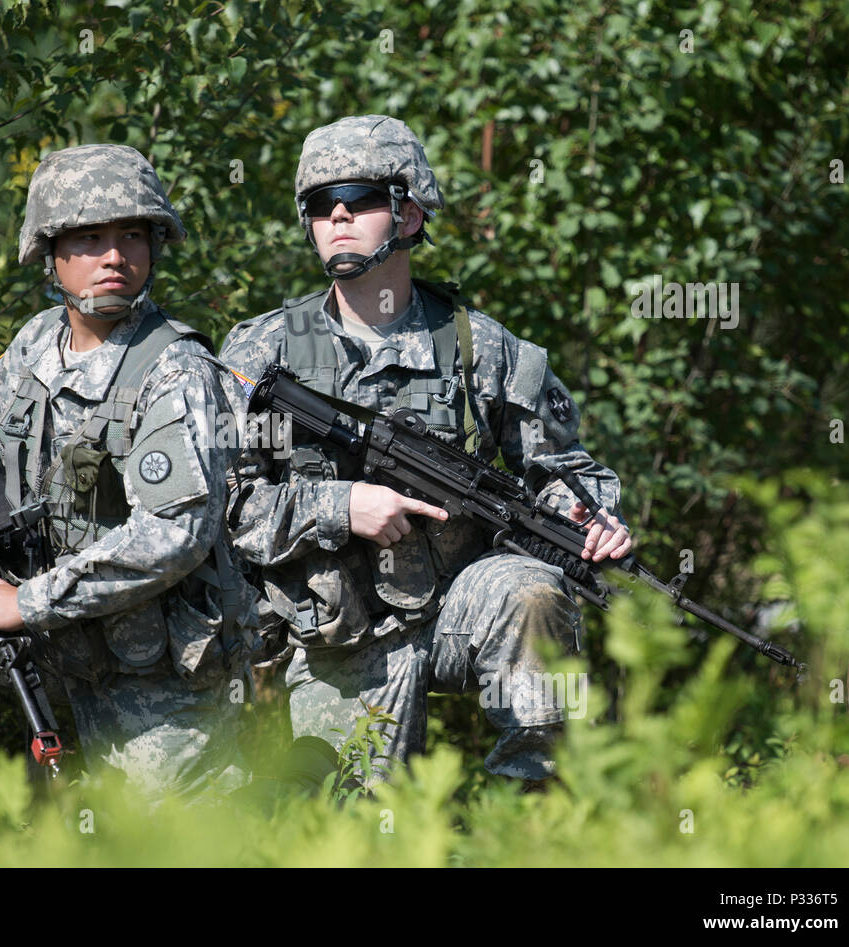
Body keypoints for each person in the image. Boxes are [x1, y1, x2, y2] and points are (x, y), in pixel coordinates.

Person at [220, 115, 632, 784]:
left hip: (458, 606)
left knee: (530, 589)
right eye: (321, 204)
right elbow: (217, 505)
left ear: (409, 214)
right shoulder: (262, 351)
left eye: (360, 197)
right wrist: (339, 504)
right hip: (337, 635)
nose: (340, 216)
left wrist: (589, 516)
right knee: (347, 820)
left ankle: (528, 811)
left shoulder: (479, 347)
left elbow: (564, 468)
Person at [0, 144, 258, 803]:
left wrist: (25, 603)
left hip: (150, 673)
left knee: (174, 844)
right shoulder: (35, 343)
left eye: (131, 235)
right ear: (50, 253)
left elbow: (176, 533)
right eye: (90, 238)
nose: (114, 255)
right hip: (54, 637)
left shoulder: (175, 367)